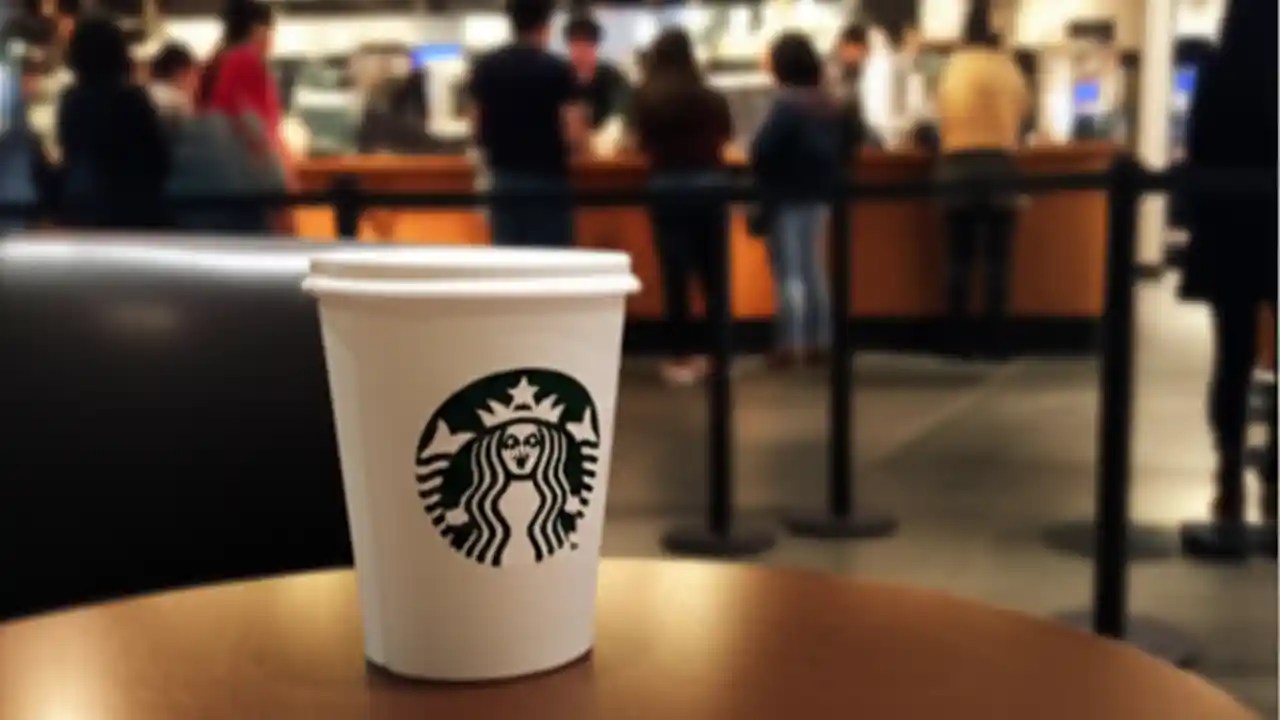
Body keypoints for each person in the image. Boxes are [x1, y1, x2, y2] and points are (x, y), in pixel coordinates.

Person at [1179, 0, 1278, 557]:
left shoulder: (1218, 71)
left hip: (1228, 230)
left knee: (1232, 352)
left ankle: (1228, 458)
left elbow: (1198, 149)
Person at [631, 29, 733, 386]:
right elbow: (726, 134)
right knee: (715, 276)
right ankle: (720, 354)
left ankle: (682, 357)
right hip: (711, 185)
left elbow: (639, 142)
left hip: (667, 187)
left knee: (675, 276)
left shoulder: (647, 97)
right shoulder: (710, 96)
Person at [934, 0, 1029, 357]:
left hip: (956, 165)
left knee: (959, 257)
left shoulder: (951, 67)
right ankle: (996, 340)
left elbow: (938, 110)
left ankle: (956, 340)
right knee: (997, 259)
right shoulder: (1009, 67)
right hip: (1001, 165)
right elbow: (1024, 110)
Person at [751, 33, 844, 367]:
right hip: (820, 195)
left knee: (789, 273)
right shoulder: (828, 103)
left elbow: (762, 149)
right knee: (814, 270)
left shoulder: (786, 105)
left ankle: (790, 343)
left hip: (787, 195)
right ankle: (821, 341)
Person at [469, 0, 587, 248]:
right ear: (546, 25)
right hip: (548, 180)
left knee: (510, 265)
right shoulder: (558, 70)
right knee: (554, 264)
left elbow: (476, 128)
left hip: (503, 179)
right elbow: (575, 133)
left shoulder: (487, 67)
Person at [57, 15, 169, 229]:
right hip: (136, 209)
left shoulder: (71, 101)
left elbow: (70, 151)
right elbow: (156, 156)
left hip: (86, 212)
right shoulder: (132, 98)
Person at [199, 0, 290, 230]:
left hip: (223, 176)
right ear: (256, 29)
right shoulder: (246, 61)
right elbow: (255, 126)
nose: (272, 39)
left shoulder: (217, 62)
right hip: (252, 179)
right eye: (270, 30)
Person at [563, 15, 629, 130]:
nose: (580, 53)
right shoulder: (559, 76)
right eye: (576, 45)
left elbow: (620, 112)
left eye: (586, 46)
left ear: (596, 46)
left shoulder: (612, 77)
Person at [148, 42, 198, 126]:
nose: (195, 81)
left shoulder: (145, 94)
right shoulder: (179, 101)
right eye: (193, 73)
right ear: (181, 72)